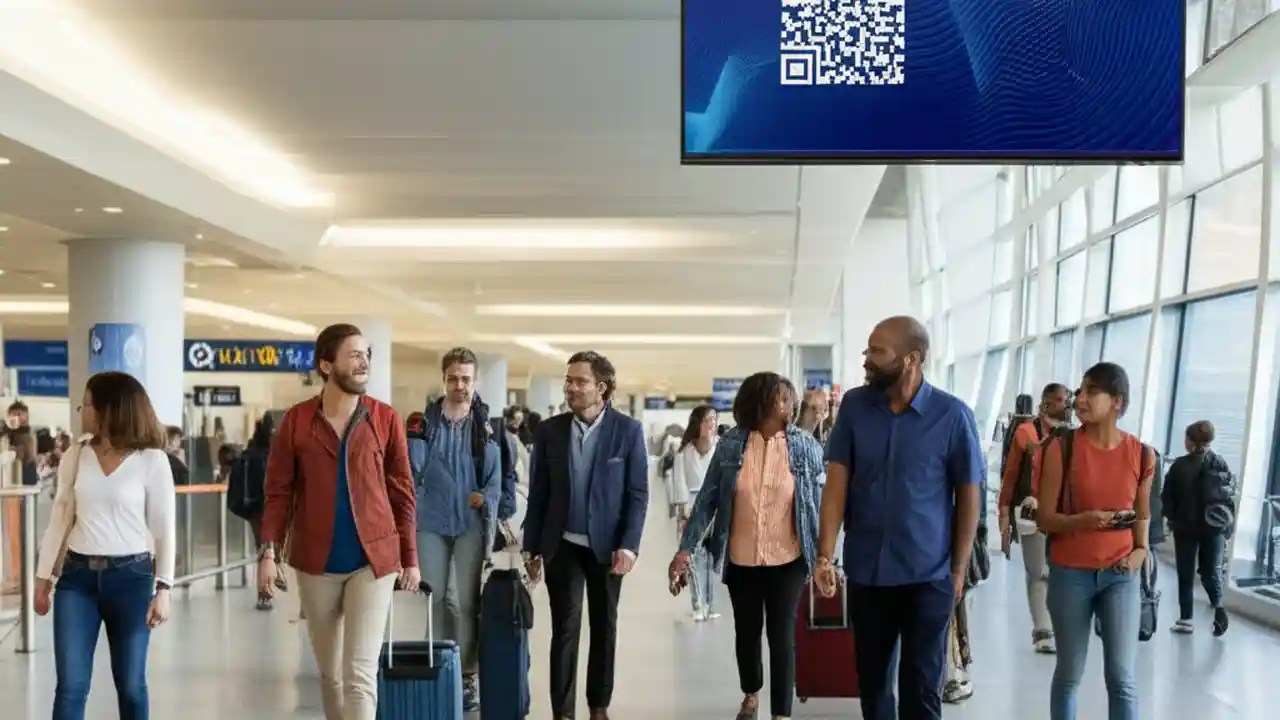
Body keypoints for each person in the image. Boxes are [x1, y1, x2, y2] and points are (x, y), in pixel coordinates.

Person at [815, 315, 983, 720]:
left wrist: (957, 572)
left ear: (911, 359)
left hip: (928, 576)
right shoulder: (855, 407)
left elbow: (969, 498)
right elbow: (836, 484)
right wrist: (825, 555)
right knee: (873, 688)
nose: (867, 359)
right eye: (867, 349)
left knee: (921, 690)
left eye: (877, 351)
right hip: (868, 573)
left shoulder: (953, 416)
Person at [256, 323, 421, 720]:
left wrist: (410, 557)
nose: (364, 362)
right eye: (354, 355)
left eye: (367, 354)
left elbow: (403, 492)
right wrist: (268, 550)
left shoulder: (384, 419)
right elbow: (278, 492)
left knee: (359, 675)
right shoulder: (296, 422)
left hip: (374, 561)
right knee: (329, 676)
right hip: (316, 562)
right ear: (326, 365)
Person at [670, 375, 822, 720]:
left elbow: (819, 506)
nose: (790, 405)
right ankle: (751, 695)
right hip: (742, 558)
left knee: (782, 638)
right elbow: (707, 502)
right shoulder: (731, 446)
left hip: (788, 559)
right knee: (747, 633)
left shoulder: (805, 446)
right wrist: (685, 550)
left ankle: (781, 712)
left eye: (790, 399)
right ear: (761, 403)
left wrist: (825, 556)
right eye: (782, 399)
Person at [34, 371, 177, 720]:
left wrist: (164, 587)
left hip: (131, 579)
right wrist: (42, 579)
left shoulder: (152, 460)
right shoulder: (76, 454)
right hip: (76, 580)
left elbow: (164, 528)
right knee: (70, 687)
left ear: (108, 408)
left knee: (130, 685)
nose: (82, 408)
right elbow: (60, 518)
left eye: (88, 402)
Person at [523, 351, 648, 720]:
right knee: (565, 627)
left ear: (602, 388)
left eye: (580, 381)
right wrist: (531, 547)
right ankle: (562, 712)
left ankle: (598, 706)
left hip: (607, 548)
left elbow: (637, 494)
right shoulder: (550, 431)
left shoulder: (627, 432)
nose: (571, 388)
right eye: (569, 380)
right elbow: (540, 493)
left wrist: (629, 545)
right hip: (562, 545)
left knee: (604, 627)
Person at [1037, 362, 1154, 720]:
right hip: (1070, 572)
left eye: (1091, 391)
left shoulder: (1142, 454)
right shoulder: (1062, 448)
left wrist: (1140, 552)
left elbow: (1143, 516)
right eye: (1080, 391)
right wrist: (1083, 521)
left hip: (1121, 574)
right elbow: (1044, 519)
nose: (1080, 399)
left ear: (1117, 401)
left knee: (1122, 677)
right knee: (1069, 674)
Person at [406, 346, 502, 712]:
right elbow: (407, 474)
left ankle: (466, 674)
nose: (459, 385)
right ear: (443, 380)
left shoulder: (487, 429)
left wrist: (486, 498)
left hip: (469, 526)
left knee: (464, 601)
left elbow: (496, 480)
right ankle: (438, 664)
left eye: (466, 379)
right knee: (434, 597)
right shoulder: (423, 423)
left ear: (475, 381)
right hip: (429, 522)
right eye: (453, 378)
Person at [998, 382, 1071, 654]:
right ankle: (1042, 629)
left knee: (1059, 571)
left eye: (1068, 400)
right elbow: (1011, 475)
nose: (1068, 405)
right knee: (1038, 571)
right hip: (1031, 511)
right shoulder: (1026, 433)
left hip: (1063, 513)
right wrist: (1004, 514)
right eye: (1063, 401)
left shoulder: (1073, 434)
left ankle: (1057, 622)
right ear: (1047, 403)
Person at [1162, 420, 1233, 636]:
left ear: (1190, 441)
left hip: (1185, 528)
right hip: (1213, 527)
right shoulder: (1219, 463)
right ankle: (1219, 608)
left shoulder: (1179, 465)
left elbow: (1167, 498)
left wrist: (1172, 518)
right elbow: (1227, 496)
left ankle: (1186, 619)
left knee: (1185, 573)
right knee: (1211, 571)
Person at [669, 404, 720, 622]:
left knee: (712, 559)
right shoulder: (684, 452)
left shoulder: (721, 448)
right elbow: (679, 484)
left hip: (716, 512)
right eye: (707, 420)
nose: (712, 425)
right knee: (693, 558)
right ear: (697, 424)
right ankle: (698, 604)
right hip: (691, 510)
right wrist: (682, 515)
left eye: (714, 420)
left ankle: (711, 604)